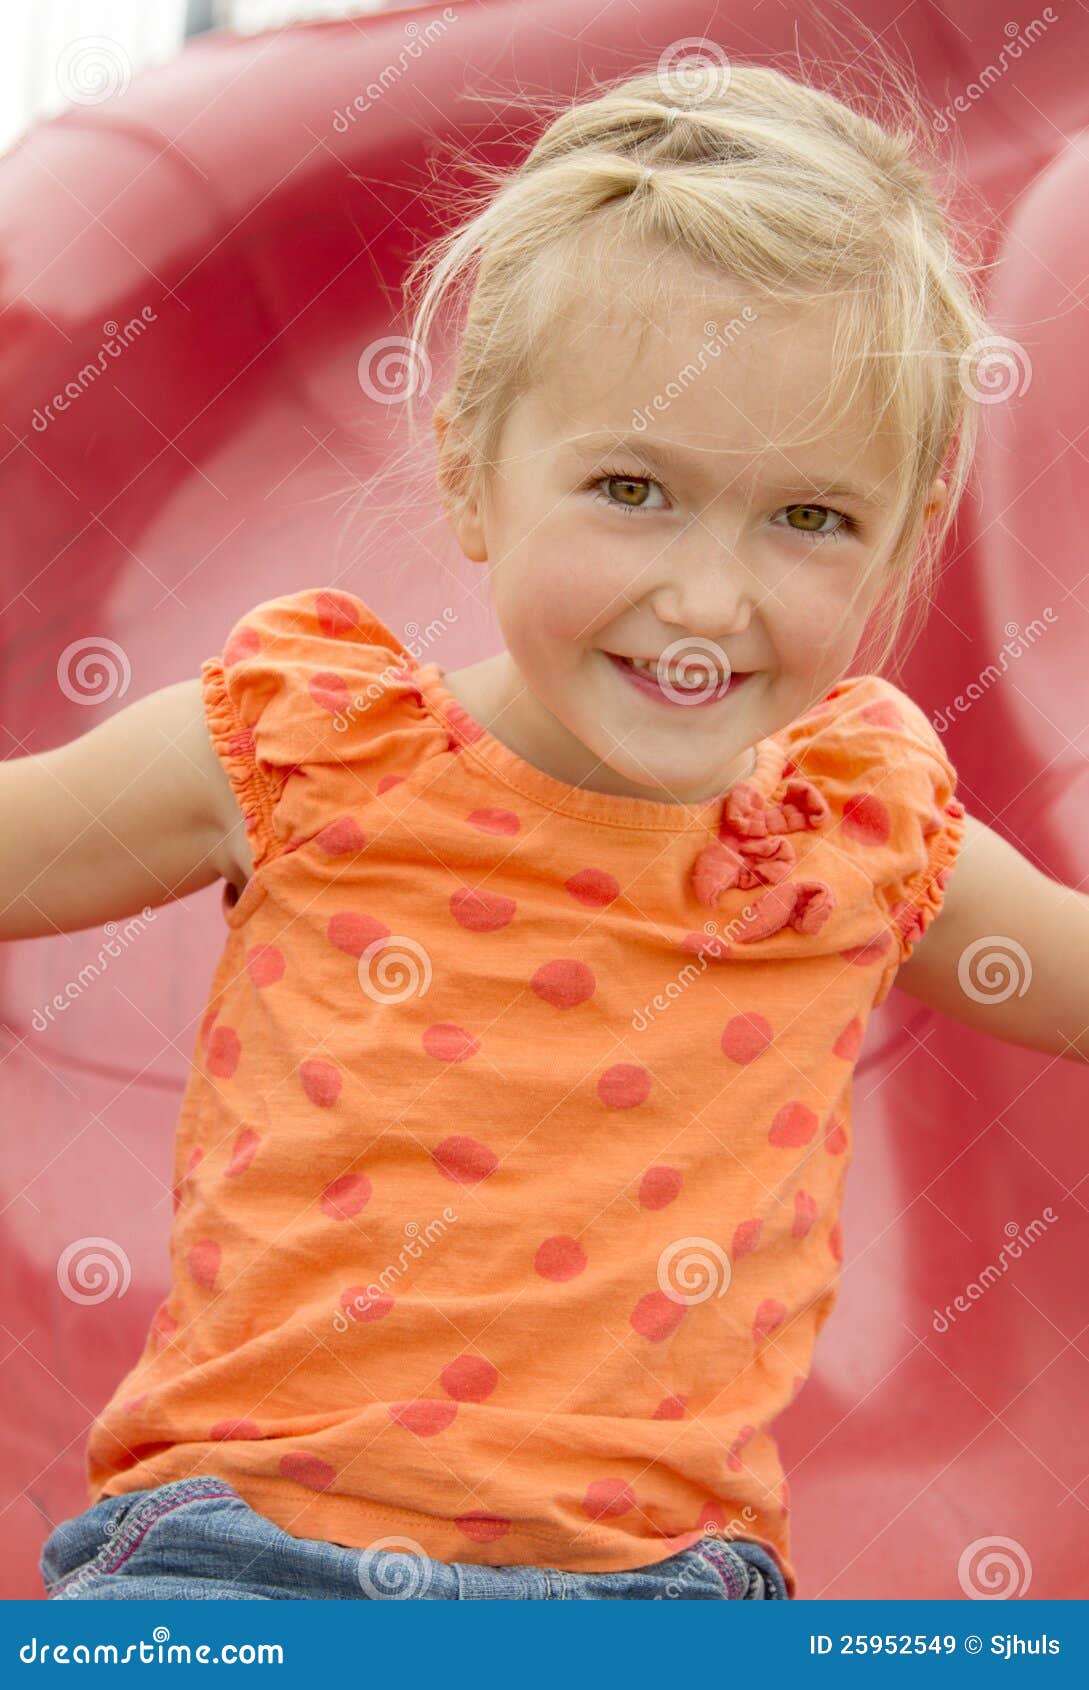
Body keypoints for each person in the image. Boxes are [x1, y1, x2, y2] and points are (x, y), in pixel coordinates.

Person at [14, 58, 1086, 1602]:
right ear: (467, 470)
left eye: (806, 519)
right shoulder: (308, 745)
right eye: (632, 488)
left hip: (646, 1590)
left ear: (902, 536)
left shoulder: (847, 834)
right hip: (246, 1562)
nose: (708, 598)